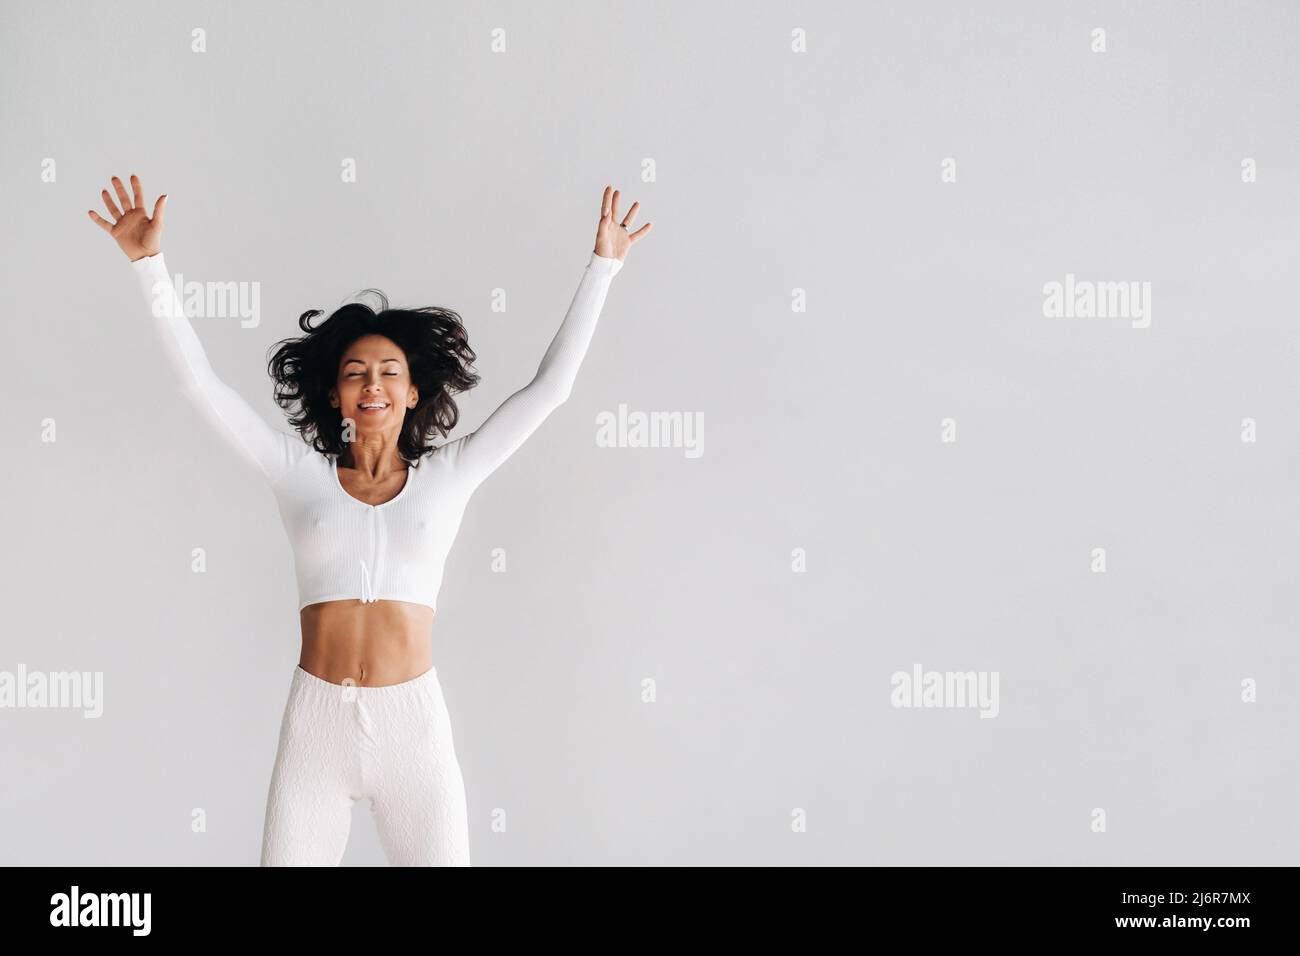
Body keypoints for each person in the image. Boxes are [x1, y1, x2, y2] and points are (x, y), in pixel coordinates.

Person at [88, 174, 651, 865]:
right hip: (315, 729)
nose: (374, 385)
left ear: (414, 393)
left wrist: (604, 267)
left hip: (413, 731)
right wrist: (150, 268)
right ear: (335, 393)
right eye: (356, 373)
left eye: (390, 372)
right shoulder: (296, 475)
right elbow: (199, 386)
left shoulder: (450, 476)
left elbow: (551, 390)